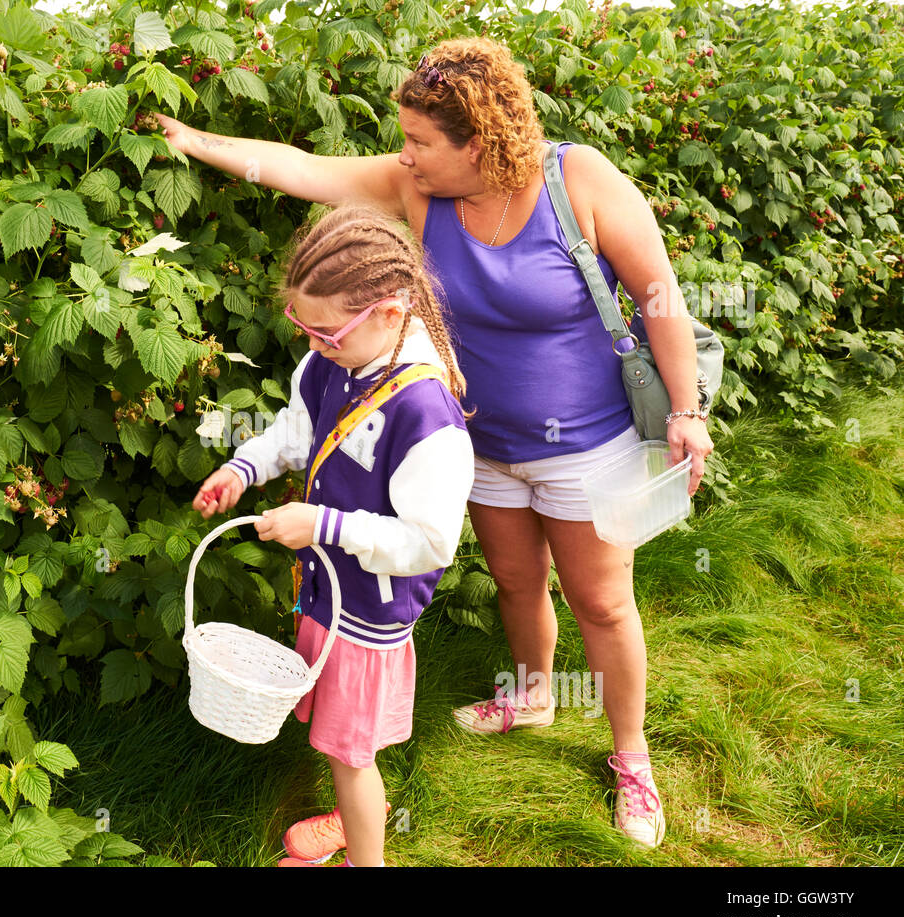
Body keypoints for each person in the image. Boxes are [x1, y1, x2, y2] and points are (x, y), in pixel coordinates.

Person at [160, 36, 716, 849]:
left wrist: (686, 410)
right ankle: (531, 694)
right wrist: (195, 143)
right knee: (518, 583)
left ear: (479, 144)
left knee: (601, 602)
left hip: (586, 446)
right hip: (477, 445)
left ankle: (630, 757)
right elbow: (302, 168)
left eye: (422, 141)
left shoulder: (577, 180)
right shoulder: (422, 190)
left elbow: (659, 292)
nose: (407, 156)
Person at [191, 204, 474, 867]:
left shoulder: (425, 413)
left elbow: (430, 543)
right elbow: (298, 432)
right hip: (327, 593)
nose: (313, 343)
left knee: (350, 752)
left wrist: (320, 524)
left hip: (368, 615)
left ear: (390, 312)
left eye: (327, 332)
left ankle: (363, 857)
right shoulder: (331, 362)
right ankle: (355, 814)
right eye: (303, 327)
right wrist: (244, 467)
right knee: (341, 738)